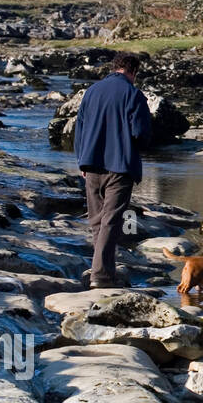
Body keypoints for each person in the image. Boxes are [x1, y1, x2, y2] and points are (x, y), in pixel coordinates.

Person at [74, 52, 153, 287]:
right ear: (133, 72)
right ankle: (101, 276)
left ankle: (101, 271)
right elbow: (140, 133)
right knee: (111, 221)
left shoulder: (92, 91)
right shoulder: (133, 94)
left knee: (97, 221)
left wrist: (81, 161)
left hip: (90, 164)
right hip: (120, 166)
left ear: (114, 67)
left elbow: (80, 127)